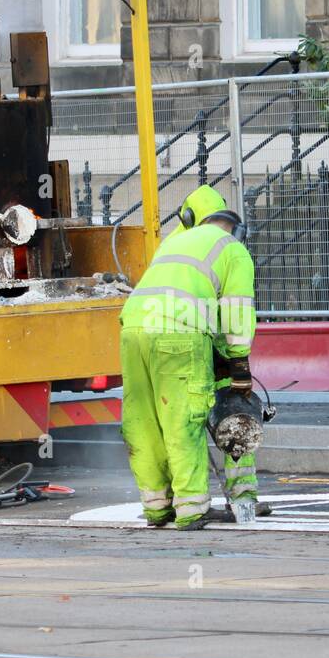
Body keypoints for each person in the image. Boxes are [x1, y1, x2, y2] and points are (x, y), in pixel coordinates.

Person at [118, 185, 258, 530]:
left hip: (133, 330)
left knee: (144, 420)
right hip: (179, 336)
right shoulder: (232, 249)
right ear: (232, 227)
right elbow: (236, 311)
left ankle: (156, 507)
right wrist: (238, 364)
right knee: (184, 419)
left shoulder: (172, 244)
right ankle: (192, 508)